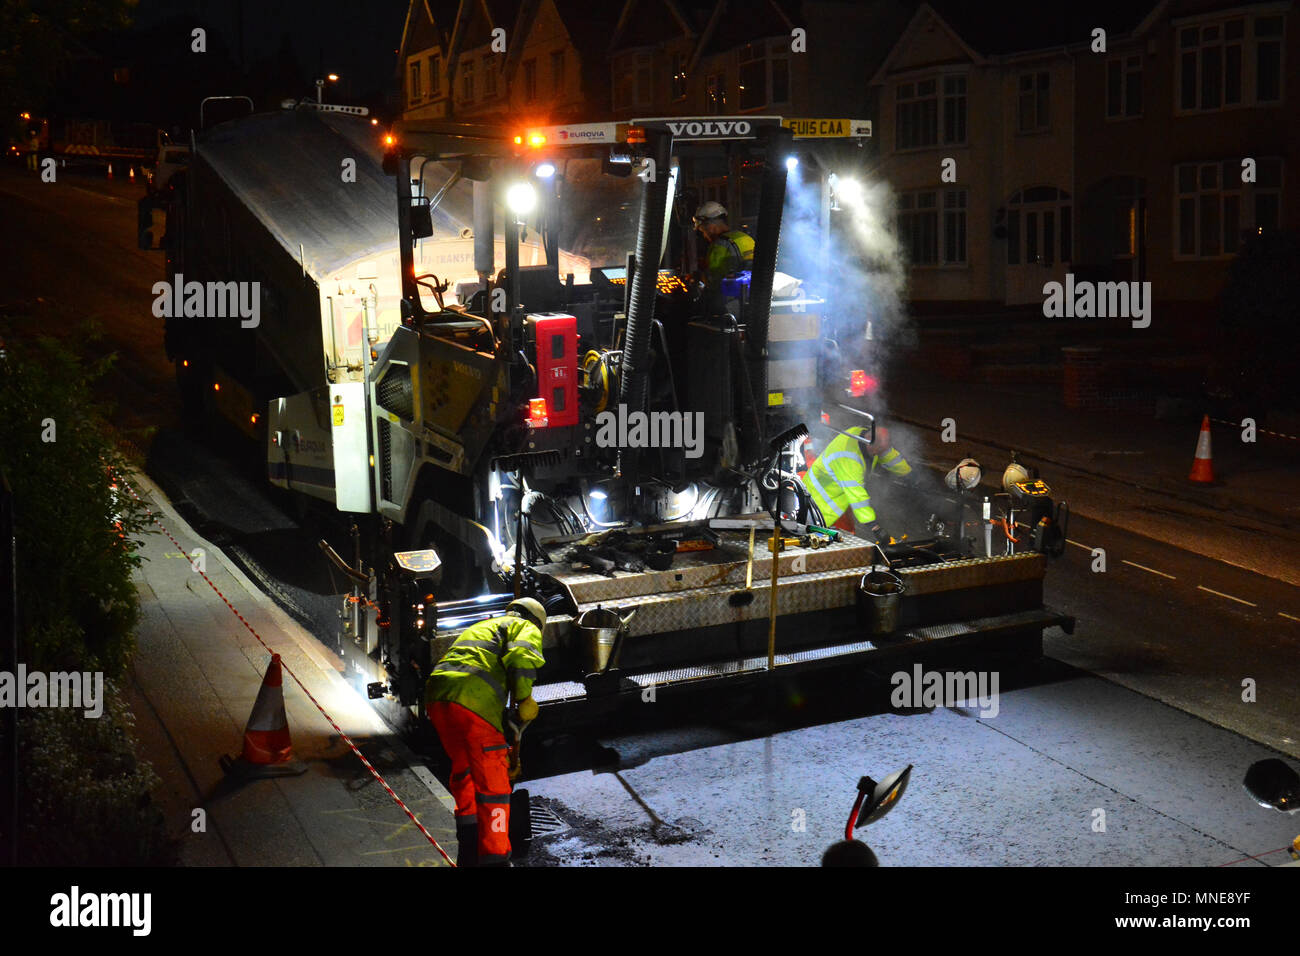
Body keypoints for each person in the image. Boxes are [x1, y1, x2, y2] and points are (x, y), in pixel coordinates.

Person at [425, 596, 547, 867]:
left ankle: (468, 846)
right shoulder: (524, 627)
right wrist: (525, 698)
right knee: (494, 787)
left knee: (465, 771)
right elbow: (522, 656)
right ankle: (495, 860)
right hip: (473, 703)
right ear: (536, 621)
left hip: (438, 700)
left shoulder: (484, 627)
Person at [803, 423, 911, 538]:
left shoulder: (864, 435)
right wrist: (874, 527)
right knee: (819, 542)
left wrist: (909, 473)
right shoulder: (847, 458)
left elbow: (887, 454)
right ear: (869, 442)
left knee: (843, 537)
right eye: (877, 451)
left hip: (840, 500)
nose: (877, 454)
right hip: (819, 506)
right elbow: (857, 496)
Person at [693, 201, 754, 286]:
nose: (704, 235)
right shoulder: (745, 237)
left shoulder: (719, 246)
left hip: (732, 296)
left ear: (711, 227)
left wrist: (699, 277)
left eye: (703, 231)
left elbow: (713, 282)